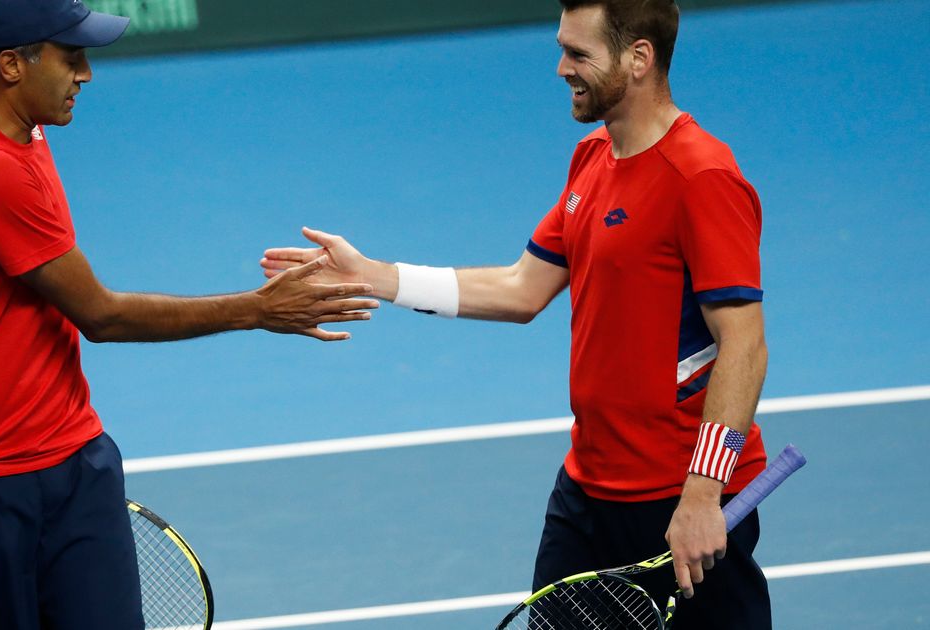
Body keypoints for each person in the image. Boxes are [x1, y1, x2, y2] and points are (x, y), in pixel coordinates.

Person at [260, 0, 771, 626]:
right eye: (562, 48)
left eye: (578, 53)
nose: (561, 68)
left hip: (678, 497)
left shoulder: (703, 177)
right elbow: (522, 287)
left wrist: (703, 492)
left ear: (639, 58)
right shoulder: (592, 158)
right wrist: (374, 276)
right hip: (588, 489)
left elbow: (744, 344)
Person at [0, 1, 378, 628]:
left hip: (69, 454)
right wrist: (256, 311)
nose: (86, 73)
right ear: (12, 64)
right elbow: (100, 314)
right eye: (72, 58)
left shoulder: (25, 132)